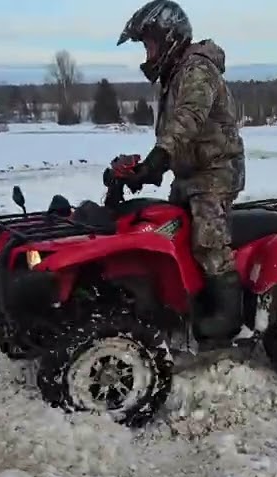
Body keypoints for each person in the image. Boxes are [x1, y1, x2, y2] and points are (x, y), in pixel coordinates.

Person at [115, 0, 247, 338]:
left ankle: (229, 315)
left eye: (150, 44)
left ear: (170, 37)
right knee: (170, 232)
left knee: (207, 238)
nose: (148, 53)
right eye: (146, 47)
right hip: (189, 173)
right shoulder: (174, 75)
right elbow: (176, 133)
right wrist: (149, 169)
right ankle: (187, 299)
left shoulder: (197, 69)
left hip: (215, 171)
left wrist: (160, 157)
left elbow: (189, 118)